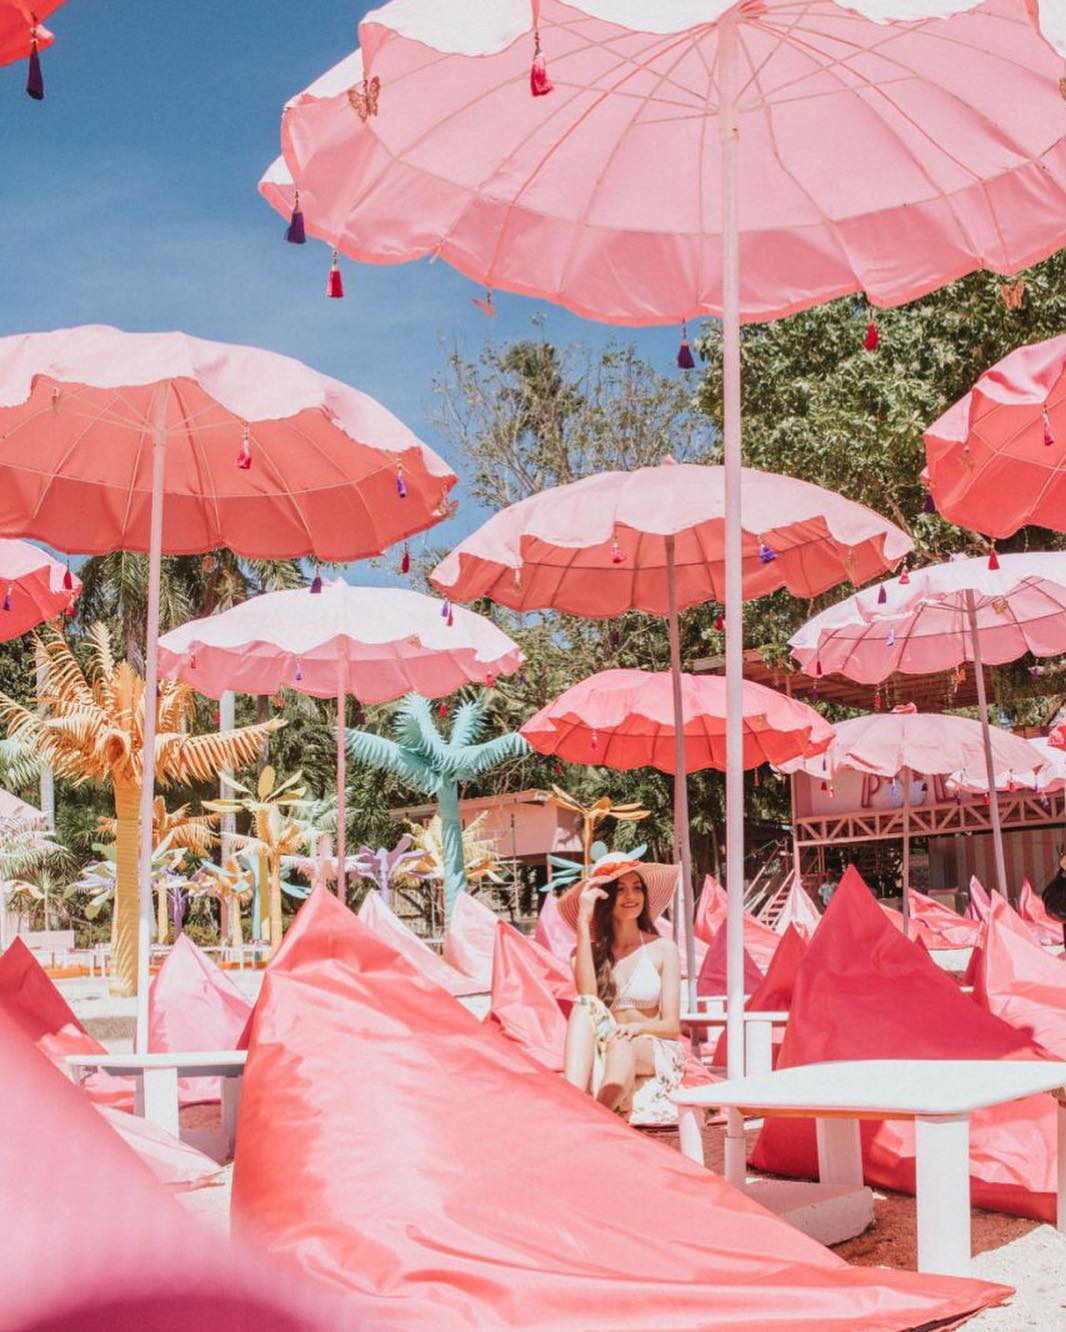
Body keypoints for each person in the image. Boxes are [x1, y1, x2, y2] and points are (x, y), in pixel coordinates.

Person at [558, 854, 686, 1125]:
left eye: (637, 887)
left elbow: (672, 1025)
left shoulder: (663, 949)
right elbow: (590, 1000)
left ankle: (592, 1119)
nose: (631, 896)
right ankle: (573, 1101)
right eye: (620, 889)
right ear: (604, 898)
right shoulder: (587, 953)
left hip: (653, 1045)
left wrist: (637, 1029)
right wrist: (583, 922)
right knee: (582, 1005)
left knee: (622, 1044)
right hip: (608, 1042)